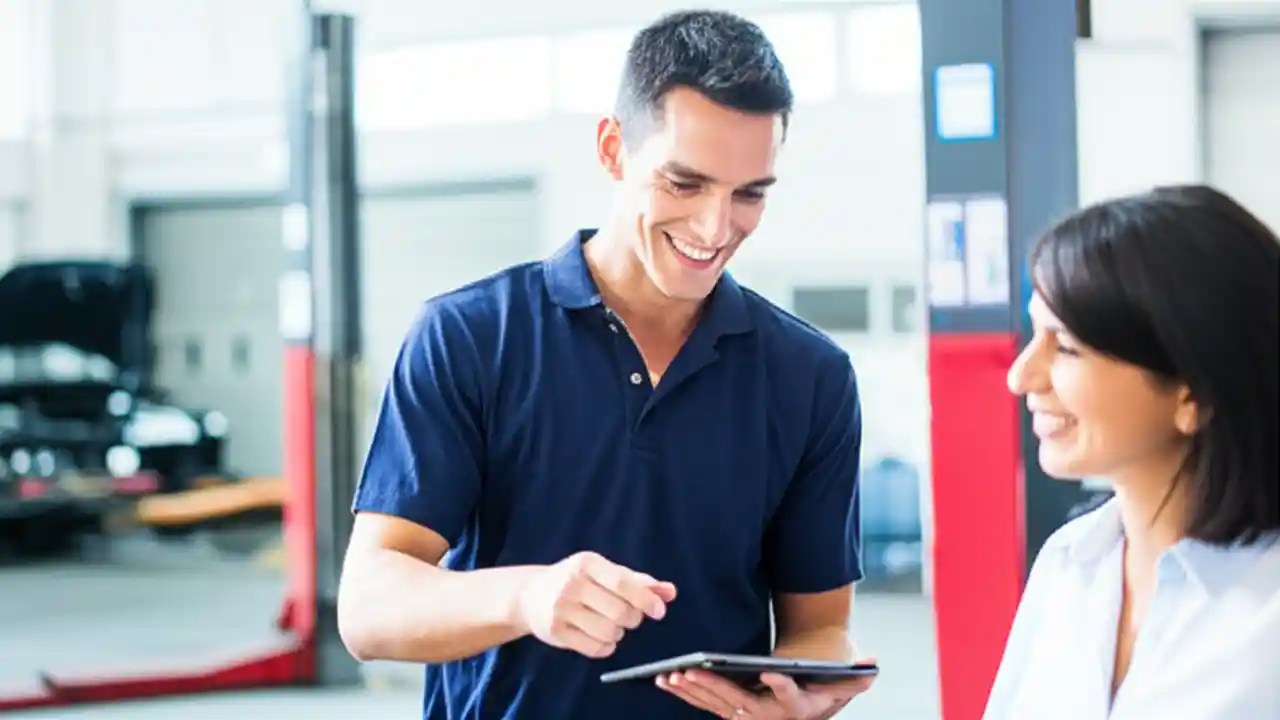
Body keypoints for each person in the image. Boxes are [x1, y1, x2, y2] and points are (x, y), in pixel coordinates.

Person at [337, 10, 875, 720]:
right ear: (614, 149)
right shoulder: (469, 337)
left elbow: (820, 625)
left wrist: (809, 695)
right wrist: (525, 597)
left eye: (749, 194)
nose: (717, 229)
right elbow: (369, 609)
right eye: (684, 184)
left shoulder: (811, 376)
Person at [984, 184, 1280, 719]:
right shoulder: (1071, 562)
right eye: (1034, 334)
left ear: (1193, 391)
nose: (1021, 376)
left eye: (1066, 347)